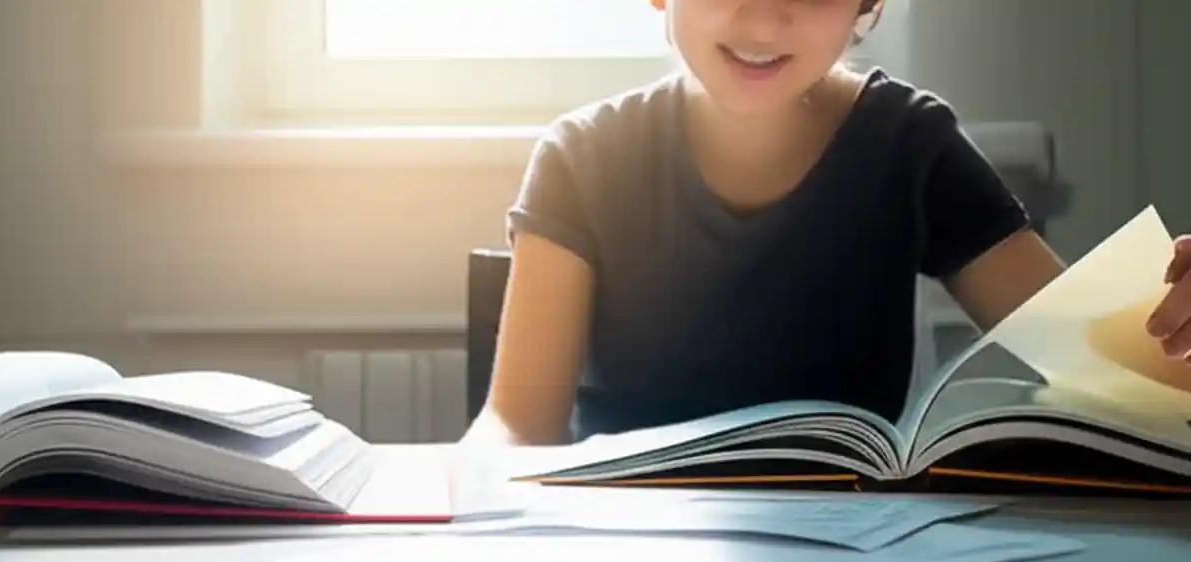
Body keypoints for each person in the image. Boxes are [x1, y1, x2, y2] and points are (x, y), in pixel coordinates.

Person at [462, 0, 1191, 448]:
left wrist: (1180, 329)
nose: (765, 16)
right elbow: (515, 427)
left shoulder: (910, 145)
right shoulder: (581, 157)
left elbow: (1119, 371)